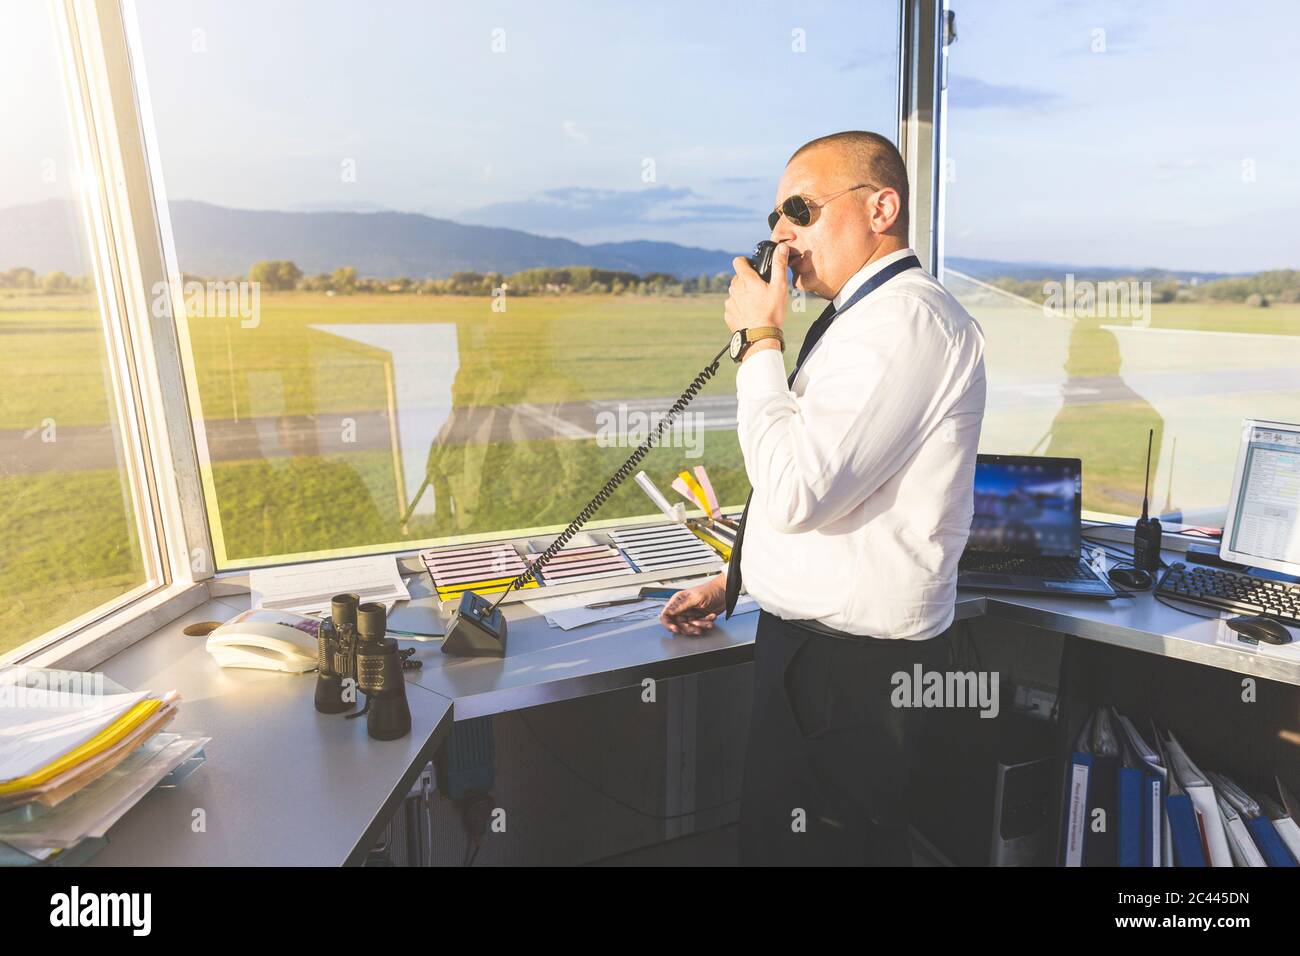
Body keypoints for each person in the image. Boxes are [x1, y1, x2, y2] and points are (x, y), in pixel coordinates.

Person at [659, 130, 987, 865]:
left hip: (849, 680)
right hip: (818, 659)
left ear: (882, 207)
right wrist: (736, 579)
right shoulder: (862, 321)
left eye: (801, 210)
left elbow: (800, 489)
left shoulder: (906, 323)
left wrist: (758, 340)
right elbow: (839, 492)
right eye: (777, 217)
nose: (782, 234)